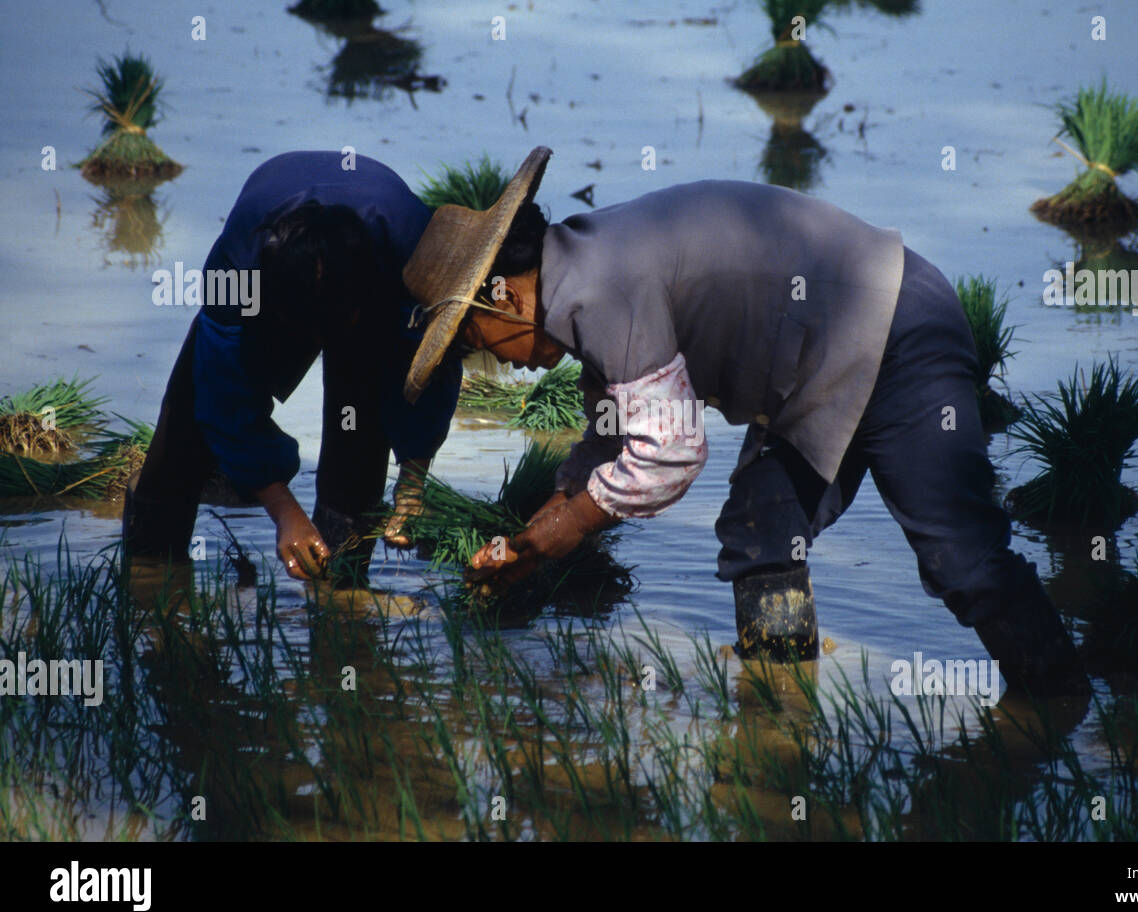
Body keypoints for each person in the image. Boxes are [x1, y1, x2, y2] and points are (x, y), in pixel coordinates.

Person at [401, 146, 1088, 697]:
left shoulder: (599, 285)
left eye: (475, 340)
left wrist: (573, 524)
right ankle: (779, 716)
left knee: (960, 554)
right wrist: (542, 524)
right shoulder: (581, 268)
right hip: (820, 363)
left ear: (499, 295)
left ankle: (1060, 707)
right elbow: (616, 420)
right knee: (763, 530)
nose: (502, 365)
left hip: (891, 330)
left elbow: (668, 452)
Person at [123, 151, 462, 588]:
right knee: (185, 430)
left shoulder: (410, 254)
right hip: (268, 284)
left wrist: (413, 485)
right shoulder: (236, 272)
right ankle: (150, 583)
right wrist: (286, 512)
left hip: (378, 273)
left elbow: (433, 366)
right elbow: (224, 397)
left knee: (358, 435)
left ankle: (338, 595)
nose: (320, 347)